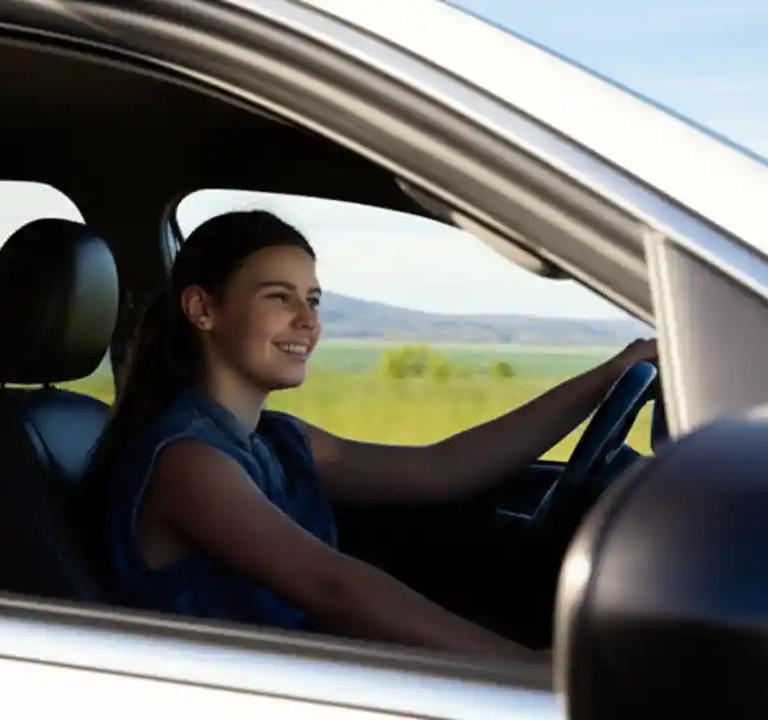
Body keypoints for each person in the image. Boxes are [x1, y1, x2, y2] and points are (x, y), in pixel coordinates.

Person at [89, 210, 655, 662]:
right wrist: (521, 668)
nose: (307, 320)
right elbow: (331, 587)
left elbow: (441, 470)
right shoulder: (187, 460)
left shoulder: (277, 439)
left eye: (313, 300)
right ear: (202, 309)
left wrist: (605, 378)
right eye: (278, 297)